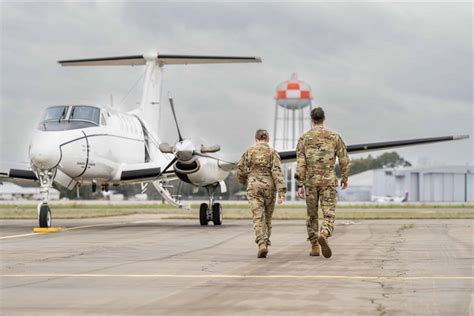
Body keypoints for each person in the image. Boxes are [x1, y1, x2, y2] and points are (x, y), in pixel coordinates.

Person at [295, 107, 350, 258]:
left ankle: (314, 246)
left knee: (312, 215)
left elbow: (300, 163)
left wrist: (299, 184)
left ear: (311, 120)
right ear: (324, 119)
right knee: (329, 213)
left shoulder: (304, 139)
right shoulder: (334, 137)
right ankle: (324, 233)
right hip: (328, 181)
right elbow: (344, 159)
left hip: (310, 182)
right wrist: (345, 177)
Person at [237, 129, 286, 258]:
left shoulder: (249, 152)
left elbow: (240, 170)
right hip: (269, 187)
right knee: (267, 218)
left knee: (258, 217)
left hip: (253, 187)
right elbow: (277, 173)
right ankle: (266, 243)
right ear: (267, 139)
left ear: (256, 139)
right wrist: (281, 192)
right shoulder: (273, 153)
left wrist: (247, 182)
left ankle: (261, 243)